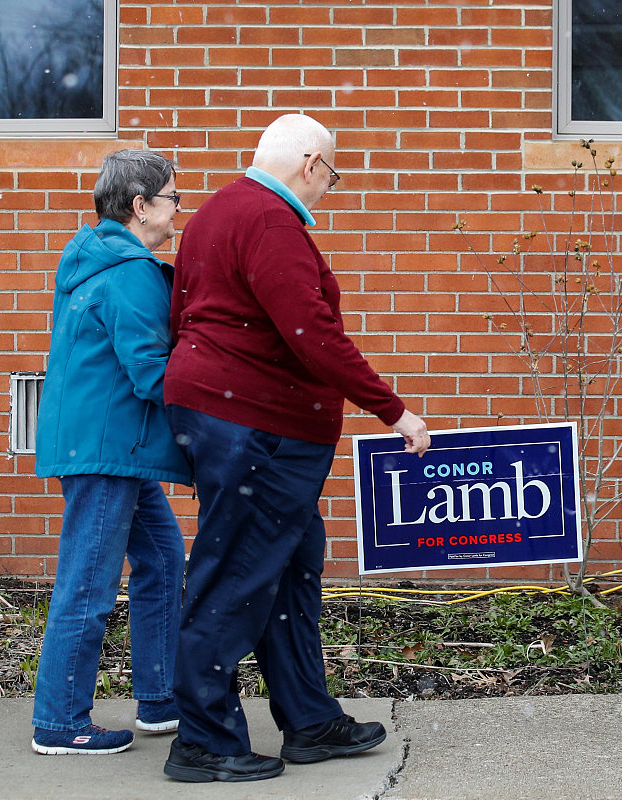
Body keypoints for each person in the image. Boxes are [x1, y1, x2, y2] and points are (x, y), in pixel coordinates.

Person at [161, 114, 430, 783]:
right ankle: (202, 740)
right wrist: (391, 409)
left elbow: (183, 313)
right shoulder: (271, 219)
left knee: (287, 562)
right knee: (239, 573)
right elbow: (310, 330)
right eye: (330, 175)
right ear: (310, 163)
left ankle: (309, 720)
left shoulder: (216, 212)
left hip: (225, 417)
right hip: (255, 424)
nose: (328, 189)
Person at [31, 149, 191, 755]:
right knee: (88, 583)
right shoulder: (127, 272)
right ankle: (60, 720)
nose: (179, 208)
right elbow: (152, 371)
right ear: (140, 205)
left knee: (161, 558)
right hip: (107, 451)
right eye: (172, 197)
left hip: (109, 445)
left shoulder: (93, 261)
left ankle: (158, 698)